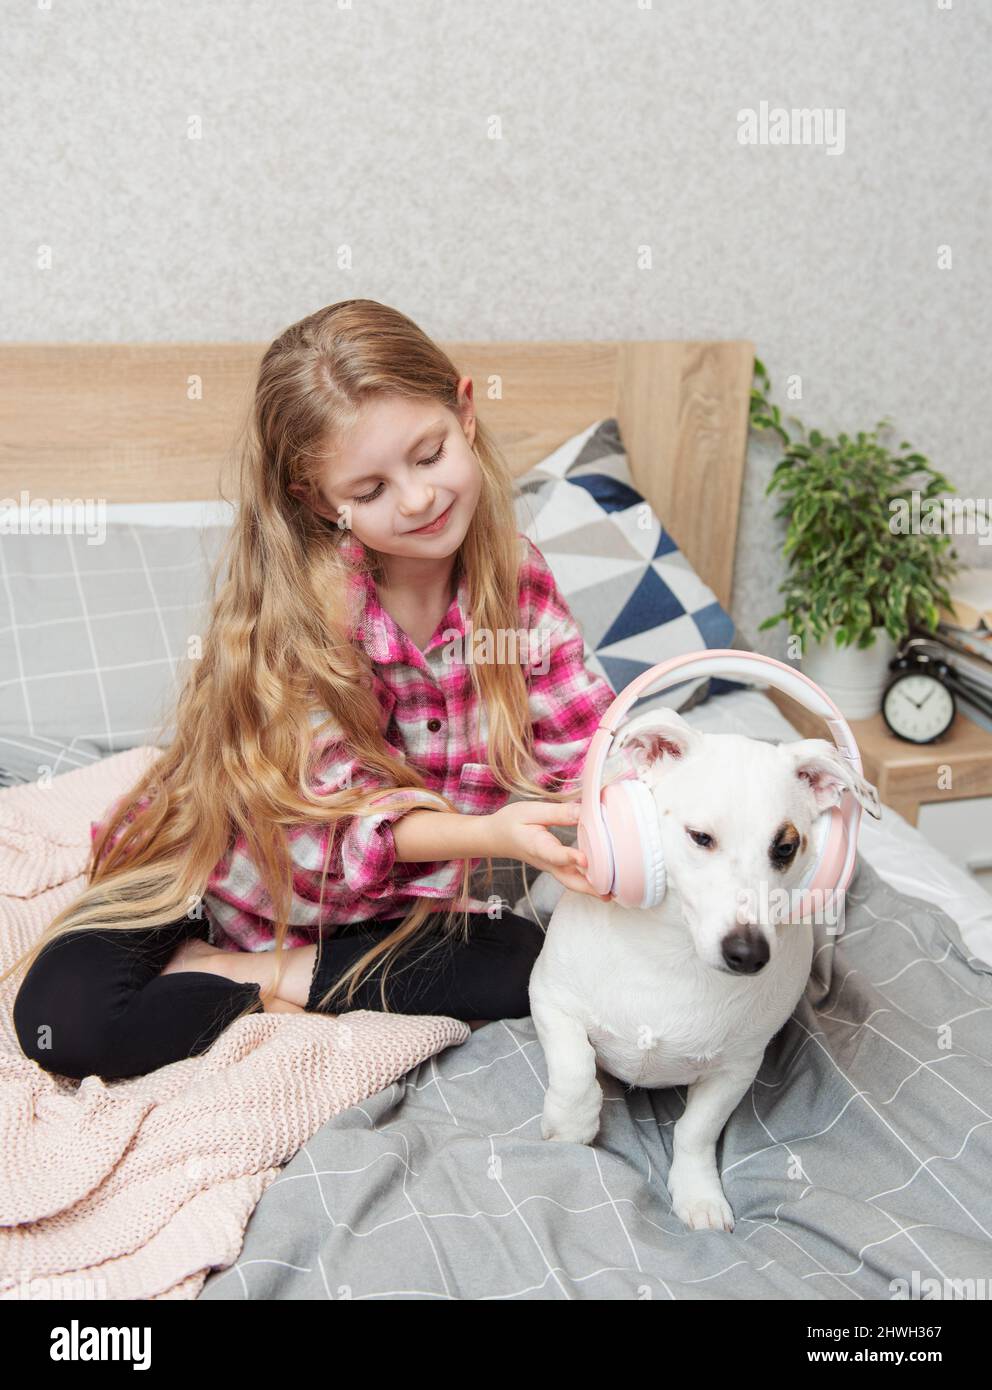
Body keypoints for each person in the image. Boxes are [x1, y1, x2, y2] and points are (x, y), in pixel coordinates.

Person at [7, 298, 617, 1082]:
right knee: (62, 1021)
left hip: (383, 917)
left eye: (427, 456)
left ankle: (258, 977)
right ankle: (236, 962)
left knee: (526, 965)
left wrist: (625, 797)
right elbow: (338, 816)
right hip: (221, 881)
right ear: (317, 500)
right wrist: (493, 836)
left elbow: (587, 743)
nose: (417, 499)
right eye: (369, 491)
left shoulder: (516, 578)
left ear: (464, 412)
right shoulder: (310, 610)